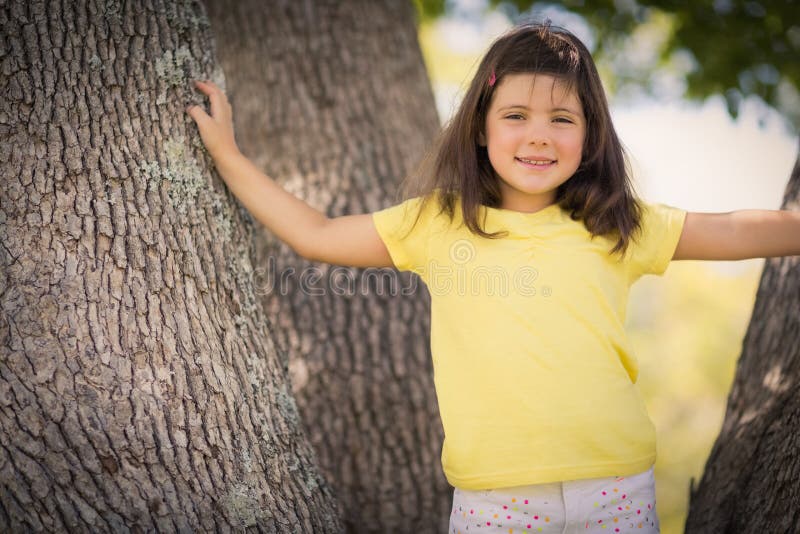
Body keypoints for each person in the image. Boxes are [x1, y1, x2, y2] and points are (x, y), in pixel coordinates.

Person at [186, 22, 800, 534]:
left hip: (617, 488)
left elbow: (736, 231)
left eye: (563, 119)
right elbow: (314, 233)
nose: (538, 134)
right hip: (496, 502)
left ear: (589, 138)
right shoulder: (438, 222)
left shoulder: (616, 224)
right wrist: (229, 156)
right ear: (481, 127)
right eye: (516, 114)